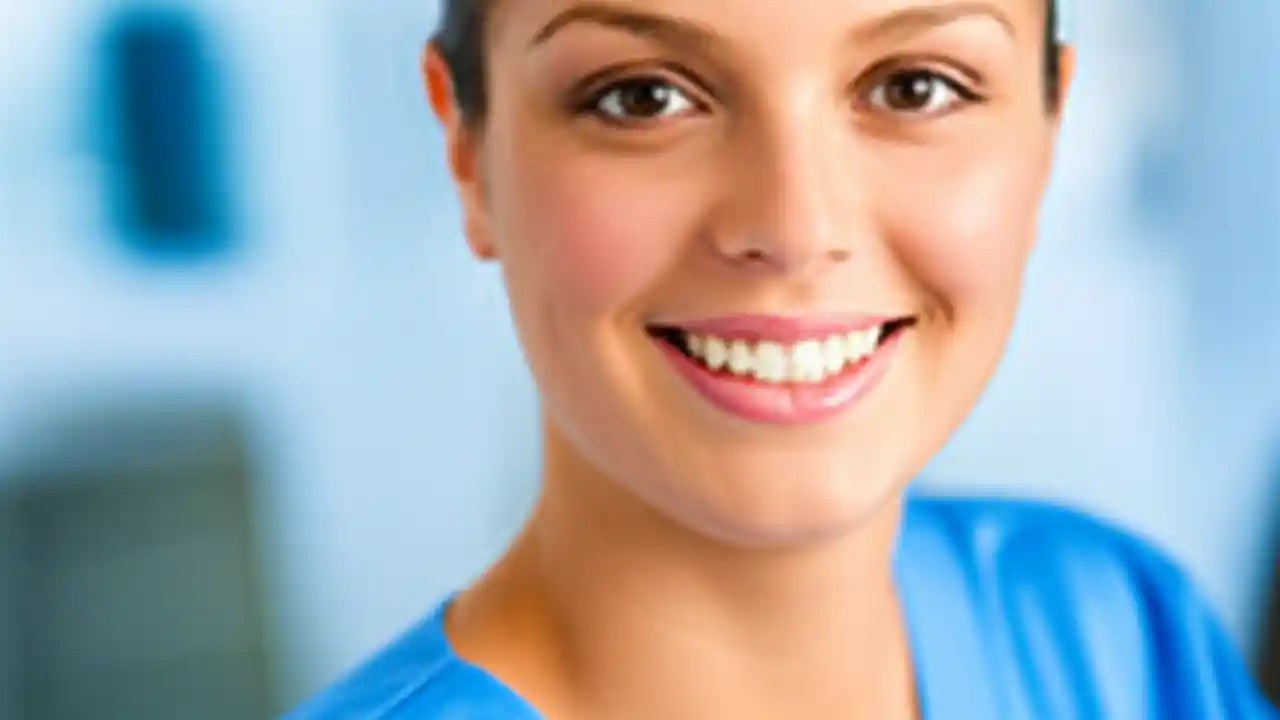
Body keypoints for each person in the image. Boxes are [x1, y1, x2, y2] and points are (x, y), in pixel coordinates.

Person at [288, 0, 1278, 717]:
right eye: (640, 98)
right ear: (467, 150)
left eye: (914, 86)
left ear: (1046, 131)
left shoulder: (1113, 630)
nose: (793, 229)